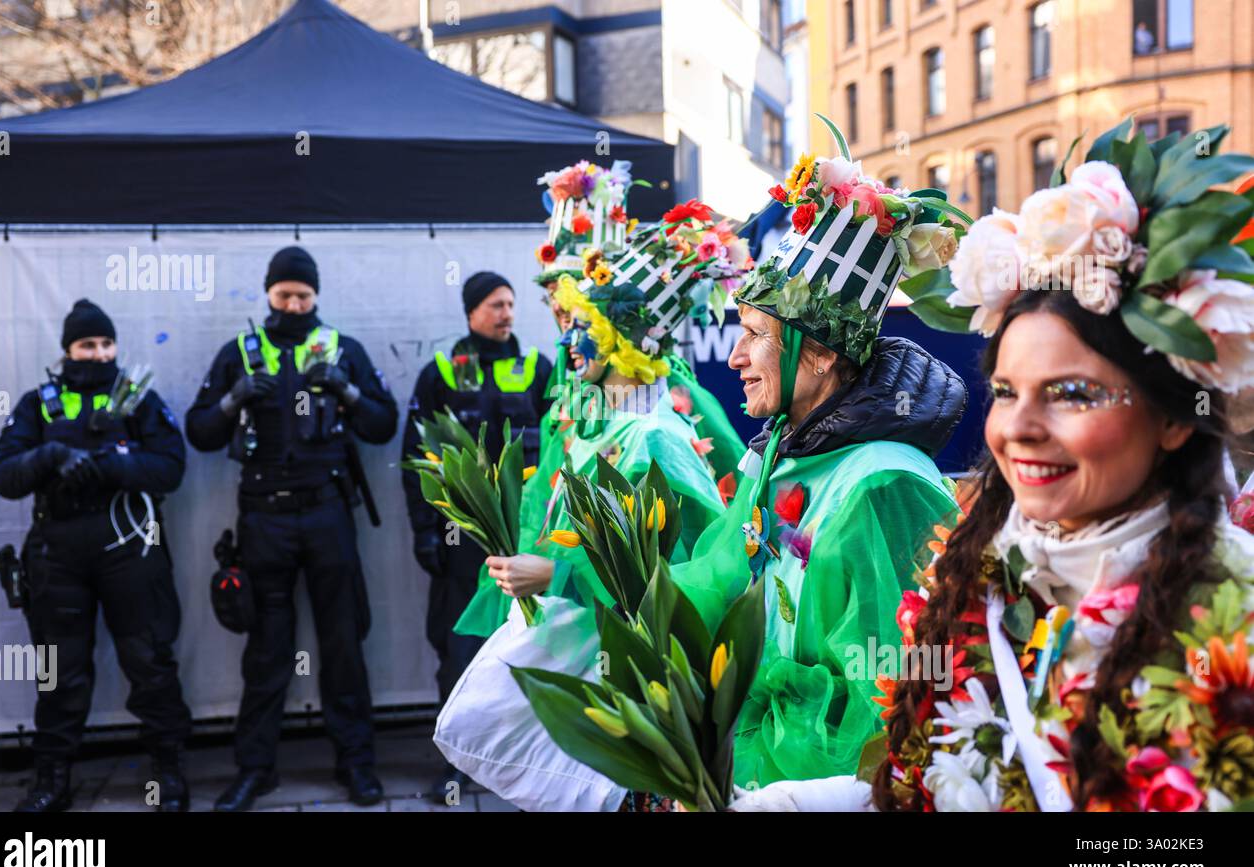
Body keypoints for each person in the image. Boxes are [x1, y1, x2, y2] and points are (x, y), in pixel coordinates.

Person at [735, 119, 1254, 812]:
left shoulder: (1235, 623)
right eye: (1007, 392)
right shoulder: (968, 578)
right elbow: (913, 774)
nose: (1019, 429)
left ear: (1170, 417)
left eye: (1071, 393)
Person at [671, 132, 969, 791]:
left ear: (822, 353)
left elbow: (889, 701)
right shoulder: (773, 452)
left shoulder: (884, 484)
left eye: (754, 337)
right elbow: (721, 577)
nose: (734, 359)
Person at [433, 195, 751, 811]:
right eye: (564, 317)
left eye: (583, 324)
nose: (567, 336)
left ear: (624, 341)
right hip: (595, 658)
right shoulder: (603, 422)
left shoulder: (657, 433)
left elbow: (691, 571)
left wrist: (558, 573)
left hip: (642, 682)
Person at [185, 246, 398, 811]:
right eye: (285, 295)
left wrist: (347, 392)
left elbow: (384, 424)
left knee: (343, 645)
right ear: (269, 294)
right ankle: (256, 770)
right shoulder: (241, 354)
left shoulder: (341, 350)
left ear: (316, 296)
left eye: (304, 295)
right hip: (263, 519)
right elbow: (199, 432)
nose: (295, 304)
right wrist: (233, 400)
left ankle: (357, 765)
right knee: (266, 650)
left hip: (328, 512)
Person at [0, 299, 192, 812]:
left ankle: (167, 771)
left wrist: (109, 467)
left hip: (129, 548)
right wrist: (52, 456)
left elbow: (170, 467)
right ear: (67, 350)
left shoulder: (138, 400)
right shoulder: (40, 403)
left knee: (149, 661)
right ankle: (51, 779)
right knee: (59, 671)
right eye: (86, 345)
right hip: (58, 552)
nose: (98, 354)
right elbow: (3, 474)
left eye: (105, 344)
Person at [400, 270, 552, 801]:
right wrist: (425, 533)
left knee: (529, 644)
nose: (505, 313)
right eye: (494, 305)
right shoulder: (442, 372)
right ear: (470, 312)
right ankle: (455, 763)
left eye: (510, 304)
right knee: (458, 647)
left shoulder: (537, 367)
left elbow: (560, 450)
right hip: (461, 542)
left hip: (526, 538)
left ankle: (527, 758)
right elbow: (417, 459)